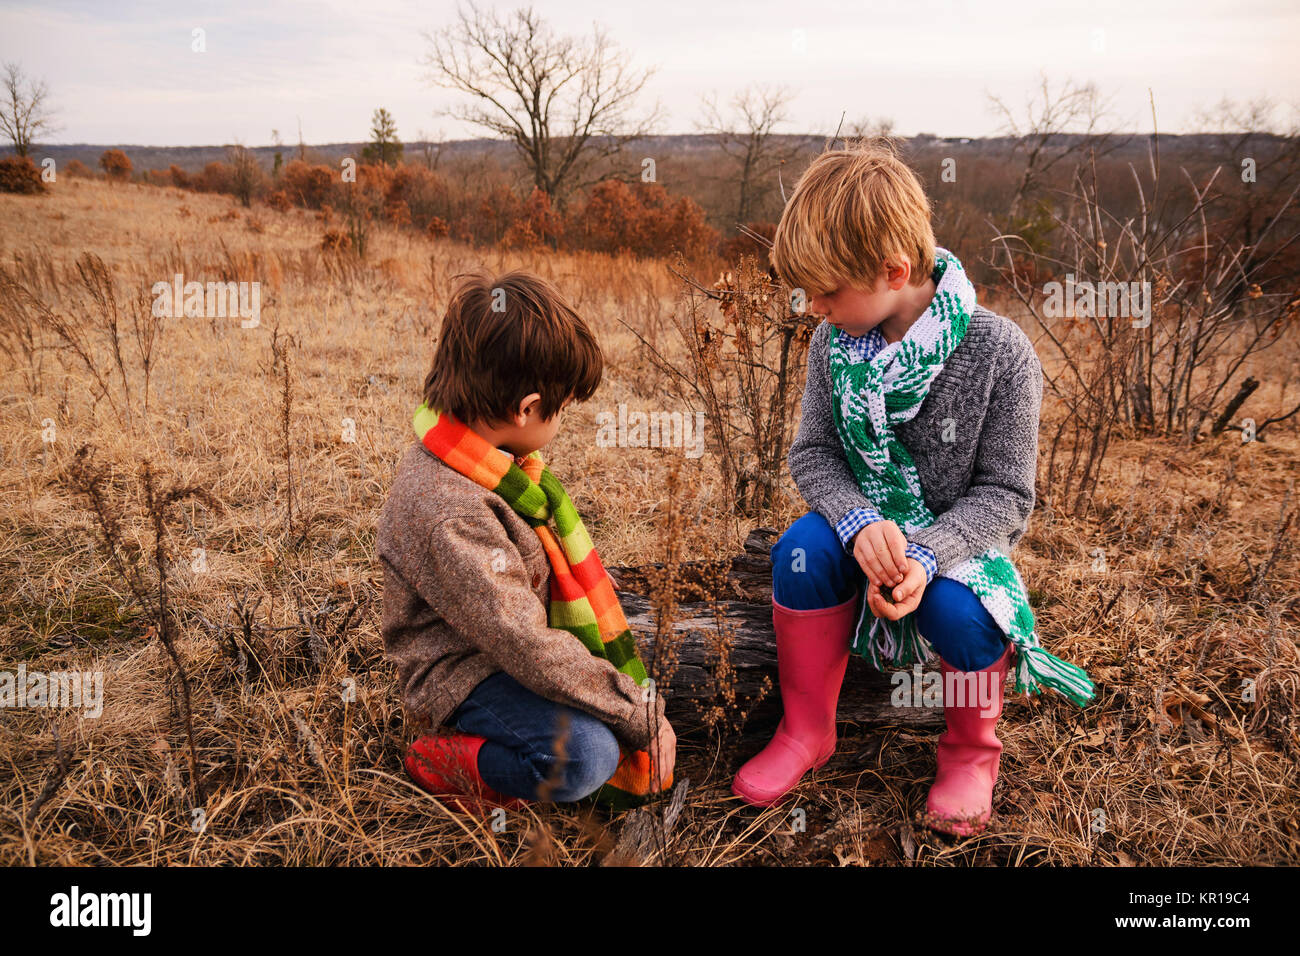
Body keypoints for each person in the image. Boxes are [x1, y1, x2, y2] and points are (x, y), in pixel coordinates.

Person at [731, 142, 1093, 835]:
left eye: (827, 291)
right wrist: (857, 519)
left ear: (894, 271)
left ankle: (969, 755)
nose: (813, 308)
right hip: (861, 529)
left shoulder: (1000, 353)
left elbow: (1007, 495)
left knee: (964, 619)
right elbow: (812, 453)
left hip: (956, 542)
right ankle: (808, 730)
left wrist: (925, 554)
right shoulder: (834, 345)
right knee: (801, 552)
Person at [378, 270, 675, 812]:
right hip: (463, 671)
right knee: (585, 755)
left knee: (613, 694)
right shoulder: (451, 510)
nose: (560, 421)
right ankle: (443, 758)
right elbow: (520, 640)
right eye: (560, 410)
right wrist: (639, 712)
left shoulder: (489, 465)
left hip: (504, 646)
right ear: (526, 408)